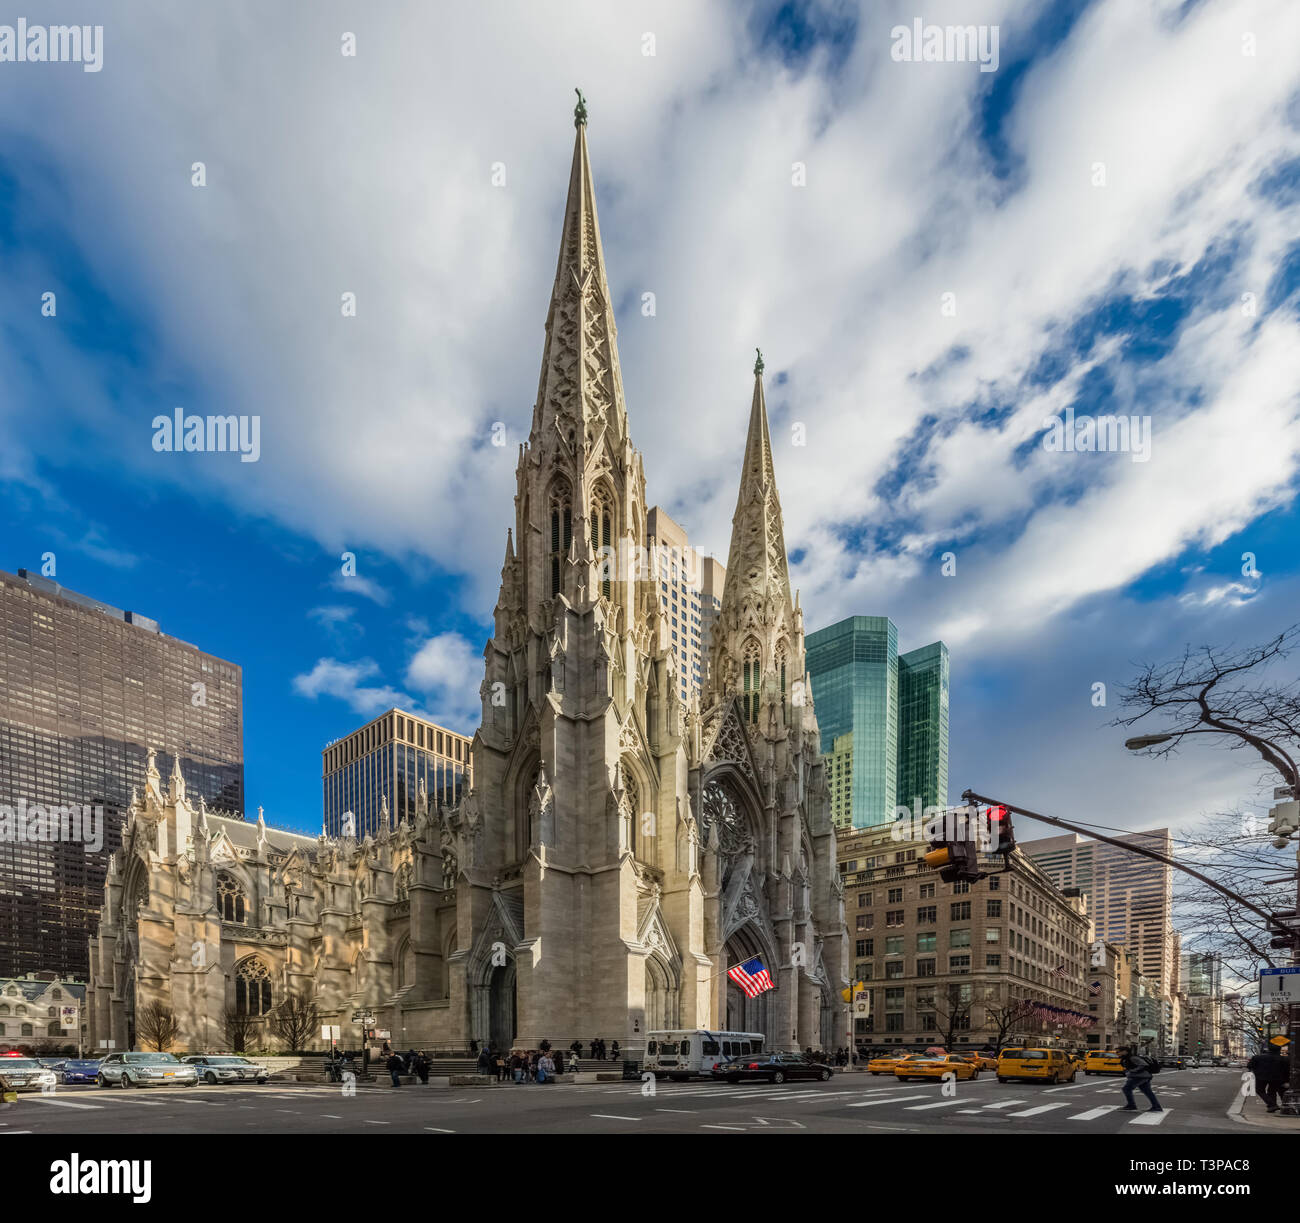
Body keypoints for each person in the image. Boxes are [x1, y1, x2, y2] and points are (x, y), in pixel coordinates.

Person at [1246, 1045, 1291, 1113]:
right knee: (1272, 1091)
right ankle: (1272, 1106)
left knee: (1260, 1090)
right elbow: (1286, 1070)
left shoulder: (1258, 1057)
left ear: (1268, 1049)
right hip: (1276, 1077)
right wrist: (1286, 1080)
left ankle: (1272, 1105)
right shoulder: (1283, 1058)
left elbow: (1249, 1065)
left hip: (1261, 1077)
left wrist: (1256, 1070)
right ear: (1279, 1050)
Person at [1119, 1046, 1162, 1113]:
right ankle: (1156, 1107)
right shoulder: (1126, 1058)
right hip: (1142, 1076)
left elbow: (1143, 1064)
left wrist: (1133, 1071)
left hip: (1140, 1076)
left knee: (1126, 1089)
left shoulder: (1133, 1057)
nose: (1118, 1052)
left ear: (1125, 1051)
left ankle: (1131, 1105)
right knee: (1147, 1091)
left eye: (1119, 1051)